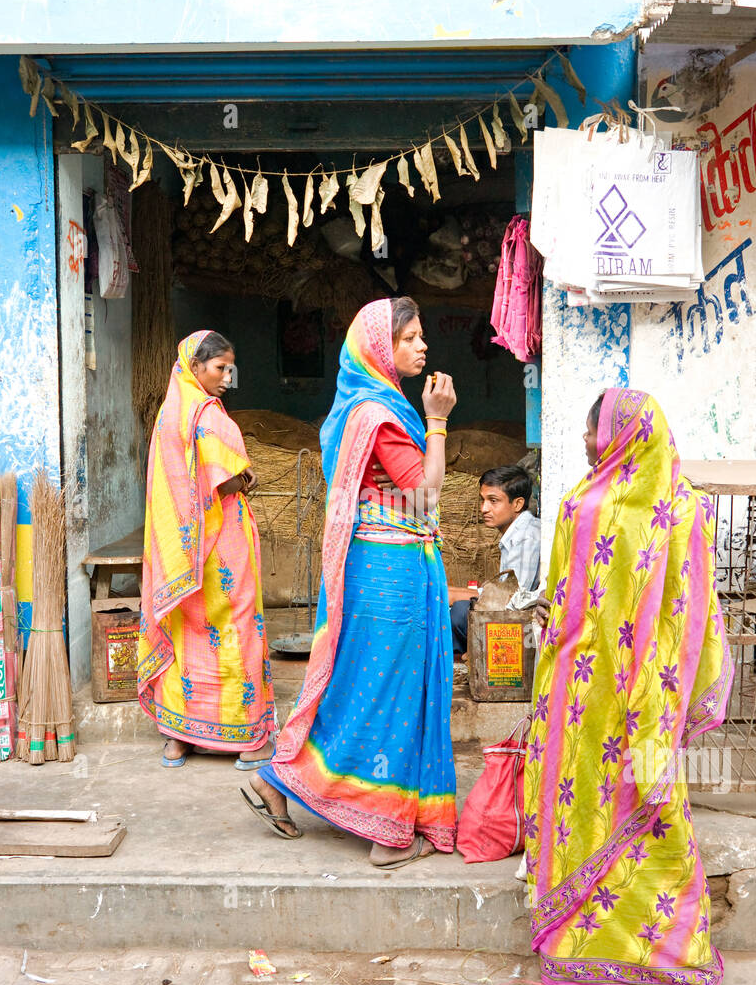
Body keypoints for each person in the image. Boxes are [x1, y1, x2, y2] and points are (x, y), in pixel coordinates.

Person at [523, 388, 733, 985]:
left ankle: (578, 952)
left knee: (582, 813)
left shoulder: (578, 506)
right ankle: (675, 956)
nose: (587, 442)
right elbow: (700, 615)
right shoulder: (688, 510)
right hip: (651, 703)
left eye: (593, 431)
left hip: (582, 698)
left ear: (614, 436)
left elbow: (561, 612)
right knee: (656, 808)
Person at [241, 296, 459, 868]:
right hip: (391, 573)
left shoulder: (355, 408)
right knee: (391, 689)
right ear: (381, 350)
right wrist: (437, 420)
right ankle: (386, 830)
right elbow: (425, 494)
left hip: (376, 564)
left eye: (420, 337)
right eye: (409, 338)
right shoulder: (378, 416)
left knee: (360, 684)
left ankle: (278, 782)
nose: (422, 346)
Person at [138, 330, 277, 767]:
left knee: (185, 632)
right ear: (194, 366)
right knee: (237, 628)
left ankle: (178, 738)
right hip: (223, 546)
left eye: (229, 369)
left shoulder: (168, 414)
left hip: (180, 556)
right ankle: (248, 739)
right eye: (220, 368)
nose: (226, 378)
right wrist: (244, 479)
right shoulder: (207, 413)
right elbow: (226, 480)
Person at [448, 464, 541, 657]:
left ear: (517, 504)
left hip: (521, 629)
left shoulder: (526, 538)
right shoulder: (516, 533)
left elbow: (514, 601)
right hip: (509, 615)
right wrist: (454, 592)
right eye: (483, 500)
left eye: (493, 501)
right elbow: (501, 591)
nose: (484, 509)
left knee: (459, 612)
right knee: (451, 600)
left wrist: (460, 596)